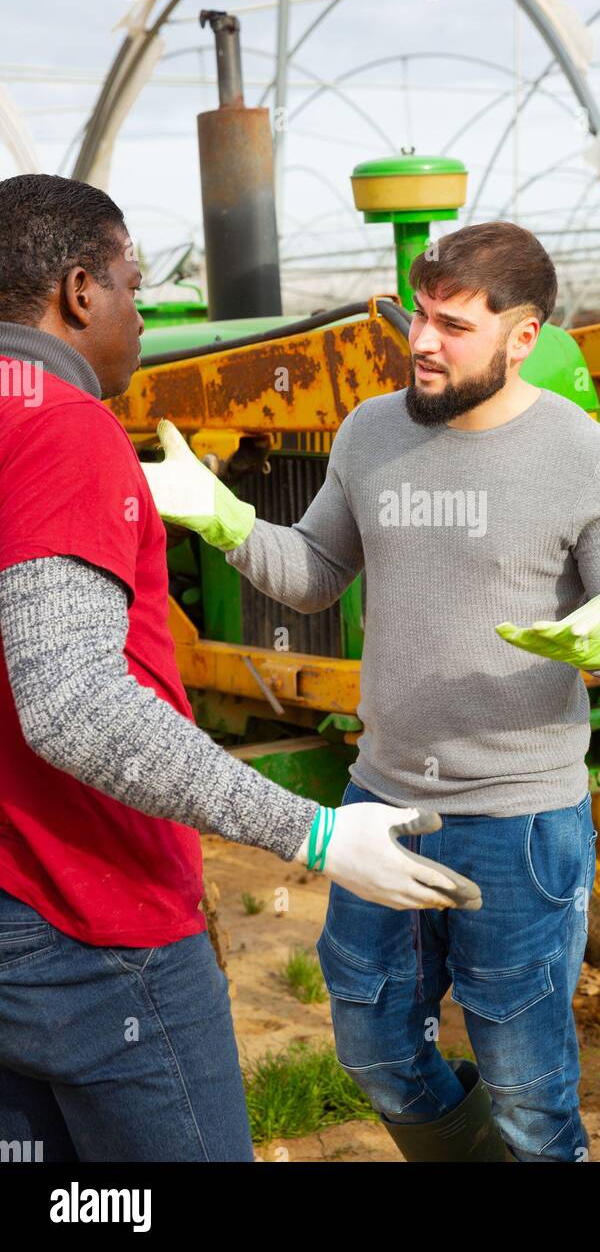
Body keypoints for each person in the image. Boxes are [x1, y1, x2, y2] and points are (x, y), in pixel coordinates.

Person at [147, 219, 600, 1162]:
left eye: (454, 325)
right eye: (417, 315)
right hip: (381, 804)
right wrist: (225, 521)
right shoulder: (372, 431)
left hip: (519, 824)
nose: (423, 342)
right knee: (375, 1045)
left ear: (524, 338)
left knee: (528, 1088)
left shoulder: (594, 462)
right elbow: (315, 571)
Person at [0, 173, 478, 1165]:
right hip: (98, 921)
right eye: (134, 287)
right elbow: (75, 704)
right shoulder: (63, 423)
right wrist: (309, 831)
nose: (138, 316)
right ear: (80, 291)